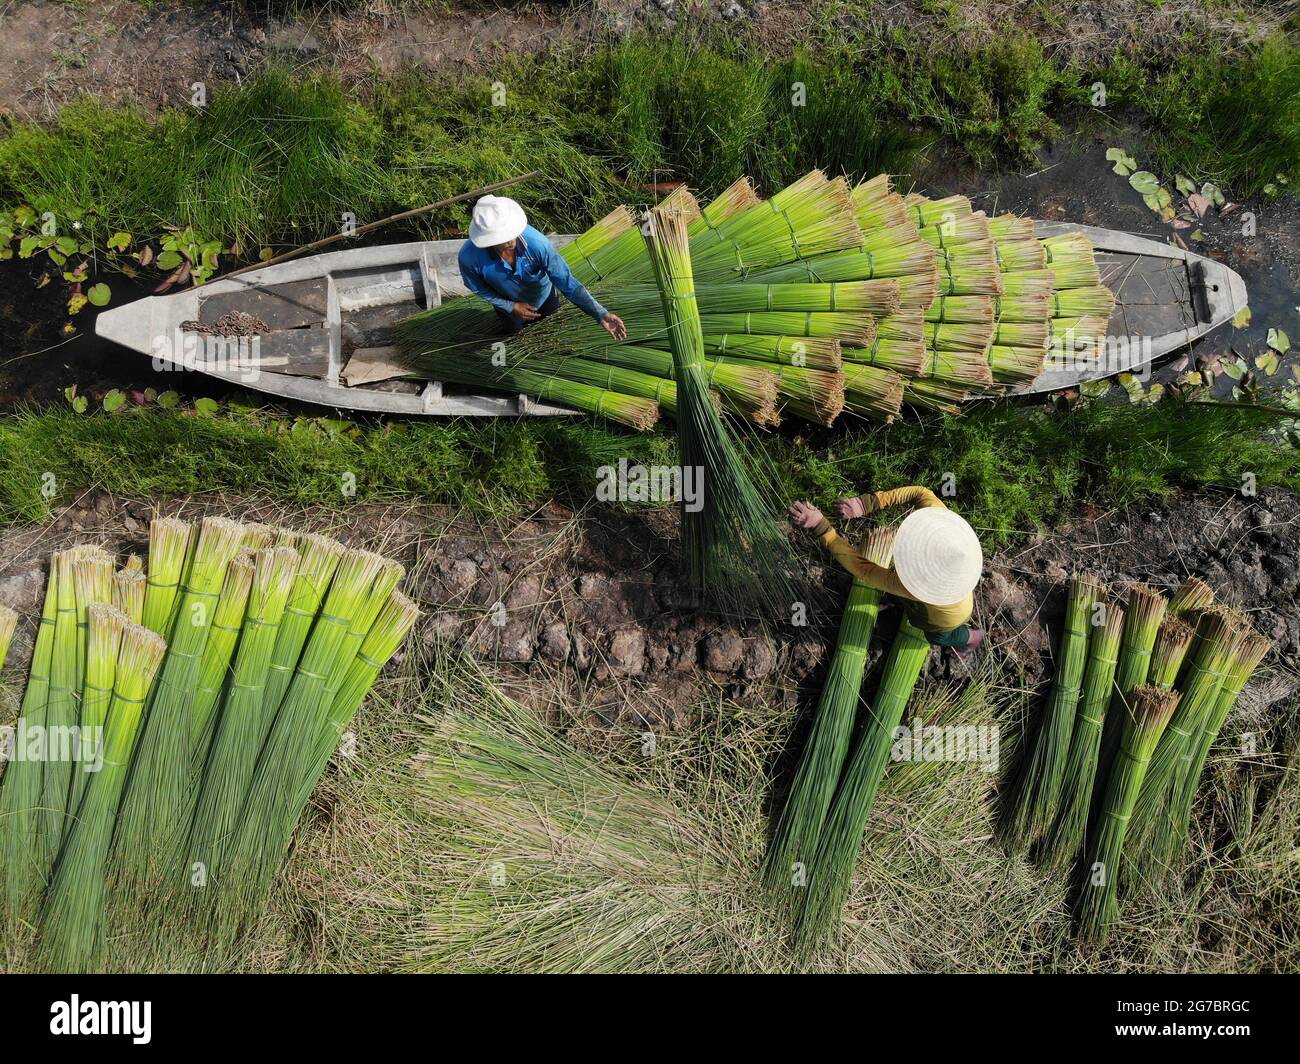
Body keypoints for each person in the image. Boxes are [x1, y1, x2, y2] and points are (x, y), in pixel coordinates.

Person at [788, 485, 986, 655]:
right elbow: (919, 492)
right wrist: (865, 503)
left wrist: (822, 528)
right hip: (952, 596)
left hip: (944, 619)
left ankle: (973, 637)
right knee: (905, 599)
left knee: (934, 635)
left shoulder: (910, 586)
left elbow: (862, 568)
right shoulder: (939, 518)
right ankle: (895, 603)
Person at [457, 195, 628, 339]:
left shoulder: (538, 245)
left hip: (544, 297)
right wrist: (510, 306)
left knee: (551, 332)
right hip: (507, 306)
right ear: (488, 239)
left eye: (511, 232)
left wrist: (600, 314)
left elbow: (568, 284)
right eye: (502, 237)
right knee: (516, 336)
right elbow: (478, 289)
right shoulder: (469, 257)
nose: (510, 240)